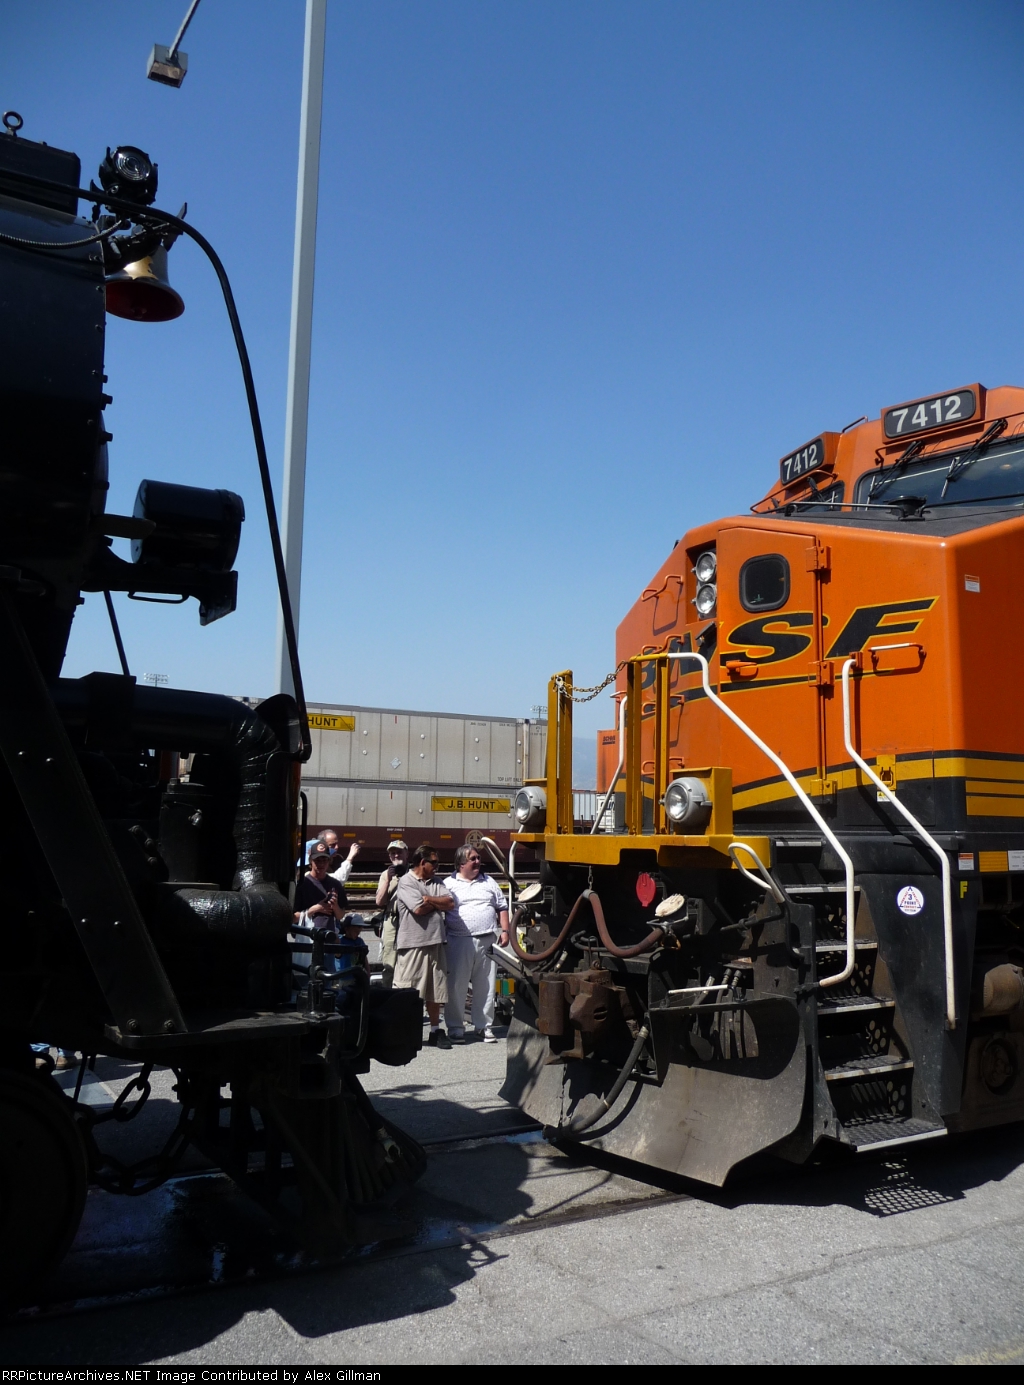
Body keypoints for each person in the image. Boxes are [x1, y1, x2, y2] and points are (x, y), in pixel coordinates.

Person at [443, 844, 510, 1042]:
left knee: (486, 985)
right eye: (472, 858)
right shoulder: (448, 884)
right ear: (461, 863)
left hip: (487, 939)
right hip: (458, 940)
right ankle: (455, 1027)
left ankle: (483, 1026)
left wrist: (505, 931)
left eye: (478, 858)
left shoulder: (489, 881)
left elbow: (502, 907)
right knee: (456, 985)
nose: (478, 861)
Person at [394, 844, 455, 1048]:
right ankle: (406, 1033)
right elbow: (419, 909)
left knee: (435, 991)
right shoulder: (406, 881)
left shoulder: (437, 882)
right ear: (422, 862)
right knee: (410, 991)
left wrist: (429, 899)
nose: (437, 866)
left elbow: (450, 903)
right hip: (413, 945)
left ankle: (435, 1031)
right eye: (434, 862)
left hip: (436, 942)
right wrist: (435, 903)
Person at [374, 839, 409, 989]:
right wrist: (388, 880)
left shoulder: (413, 873)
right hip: (392, 921)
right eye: (392, 853)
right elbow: (379, 902)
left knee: (409, 960)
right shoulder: (385, 875)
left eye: (399, 852)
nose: (396, 855)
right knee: (389, 961)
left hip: (410, 921)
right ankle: (388, 993)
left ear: (406, 854)